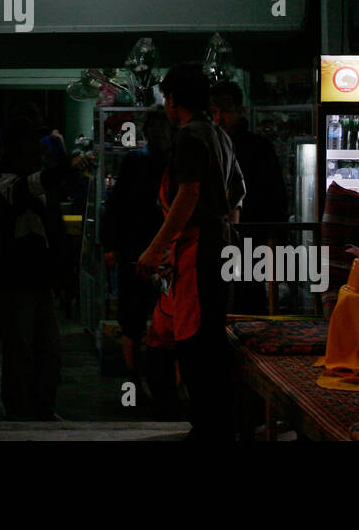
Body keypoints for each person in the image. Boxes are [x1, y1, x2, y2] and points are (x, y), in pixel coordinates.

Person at [137, 63, 245, 441]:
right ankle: (217, 424)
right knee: (210, 335)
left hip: (200, 247)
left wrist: (156, 248)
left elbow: (188, 195)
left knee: (196, 339)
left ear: (172, 101)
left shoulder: (189, 136)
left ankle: (208, 427)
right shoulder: (219, 135)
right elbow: (237, 196)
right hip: (219, 243)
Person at [0, 106, 69, 421]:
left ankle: (41, 408)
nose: (35, 149)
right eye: (28, 142)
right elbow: (27, 189)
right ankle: (21, 410)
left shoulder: (31, 181)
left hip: (40, 279)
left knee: (47, 350)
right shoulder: (6, 181)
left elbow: (55, 230)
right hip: (15, 281)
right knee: (20, 349)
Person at [100, 106, 170, 388]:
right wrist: (112, 246)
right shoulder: (138, 161)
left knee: (155, 314)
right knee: (134, 315)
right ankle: (137, 377)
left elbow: (114, 206)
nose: (156, 131)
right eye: (153, 126)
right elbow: (116, 206)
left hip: (154, 245)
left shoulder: (166, 160)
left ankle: (151, 378)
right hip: (137, 245)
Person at [210, 80, 286, 312]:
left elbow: (275, 196)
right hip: (233, 236)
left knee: (247, 298)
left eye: (226, 110)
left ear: (240, 111)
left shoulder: (257, 147)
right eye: (214, 111)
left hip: (249, 236)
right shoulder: (215, 145)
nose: (220, 117)